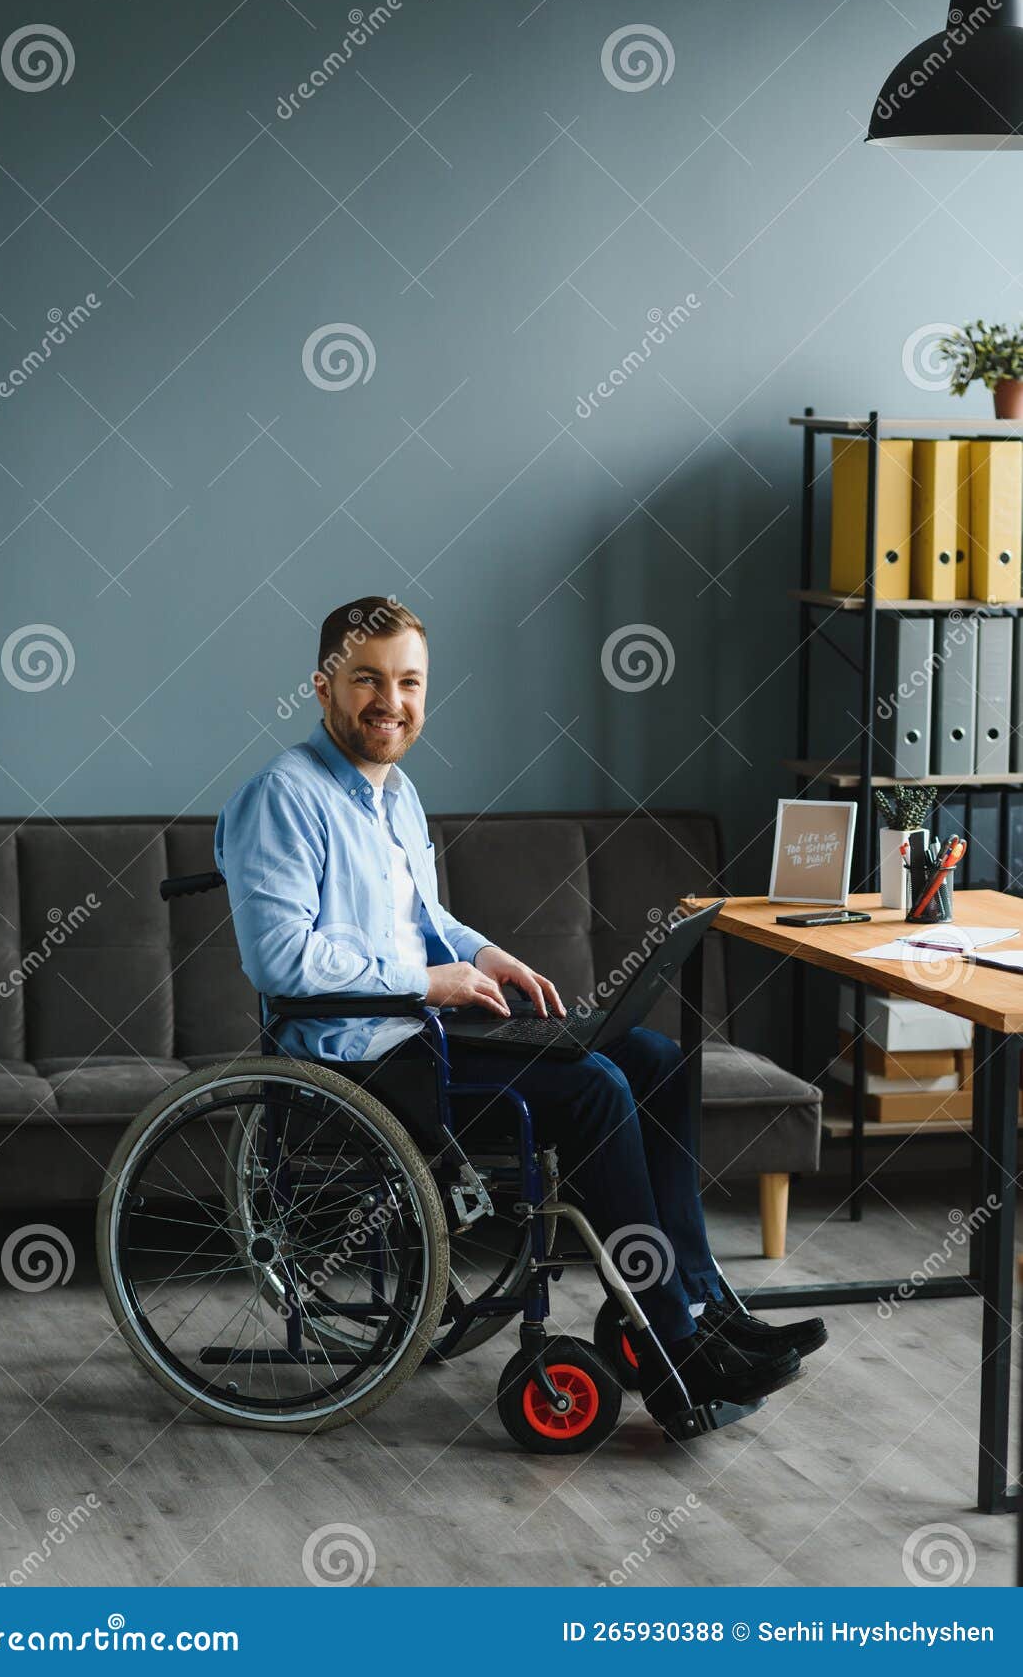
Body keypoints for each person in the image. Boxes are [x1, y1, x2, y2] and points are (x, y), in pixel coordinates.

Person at [215, 596, 826, 1430]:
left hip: (417, 1035)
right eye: (367, 680)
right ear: (323, 687)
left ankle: (703, 1301)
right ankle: (680, 1344)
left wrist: (482, 953)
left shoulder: (393, 795)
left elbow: (423, 922)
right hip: (352, 1060)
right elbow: (280, 960)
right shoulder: (283, 798)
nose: (389, 701)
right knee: (596, 1088)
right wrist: (434, 981)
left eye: (408, 682)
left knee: (656, 1059)